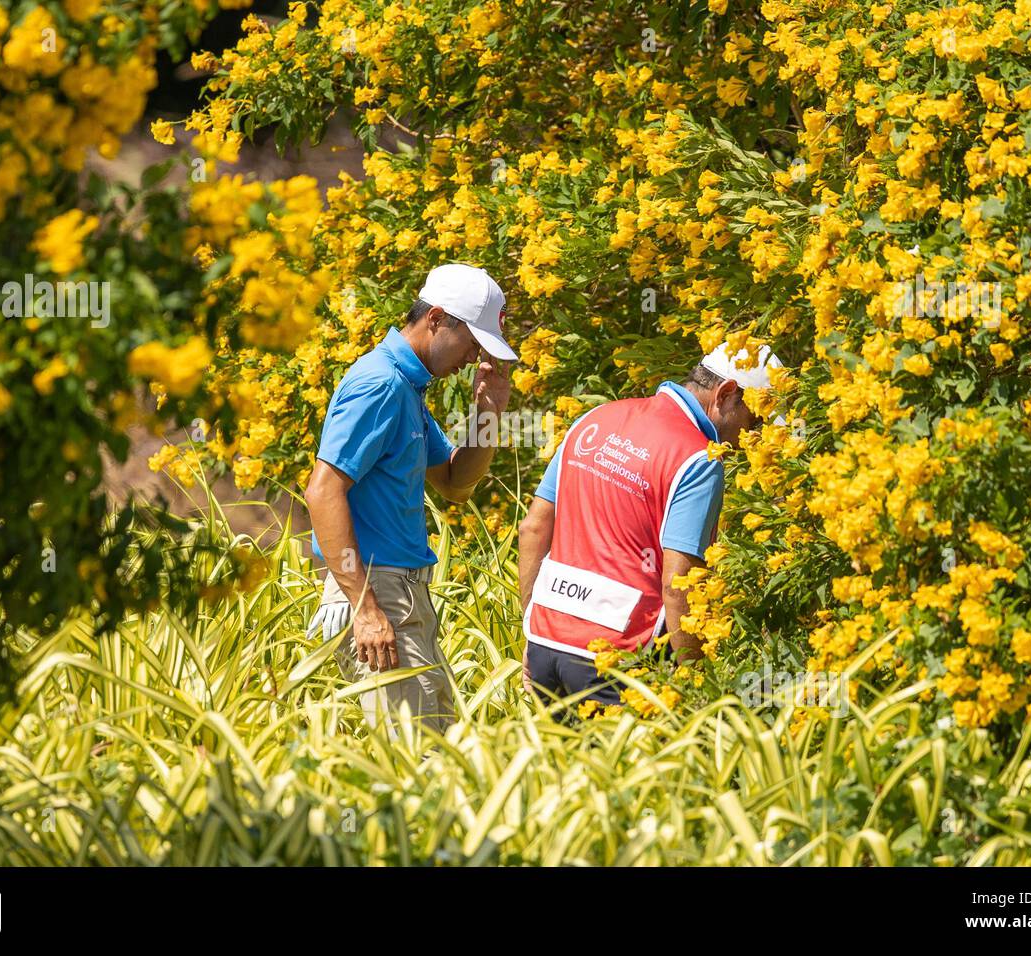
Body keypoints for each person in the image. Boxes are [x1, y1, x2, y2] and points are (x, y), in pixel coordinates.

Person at [305, 263, 516, 734]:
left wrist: (487, 414)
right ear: (437, 318)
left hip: (398, 596)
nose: (472, 359)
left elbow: (456, 484)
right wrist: (365, 608)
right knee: (417, 765)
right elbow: (322, 490)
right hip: (377, 595)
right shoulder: (380, 385)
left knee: (436, 754)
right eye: (471, 344)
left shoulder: (407, 388)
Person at [517, 342, 785, 711]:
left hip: (546, 644)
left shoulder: (595, 419)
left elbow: (532, 528)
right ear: (726, 394)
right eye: (754, 421)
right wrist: (697, 686)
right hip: (618, 663)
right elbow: (678, 588)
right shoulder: (699, 459)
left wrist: (532, 633)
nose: (750, 439)